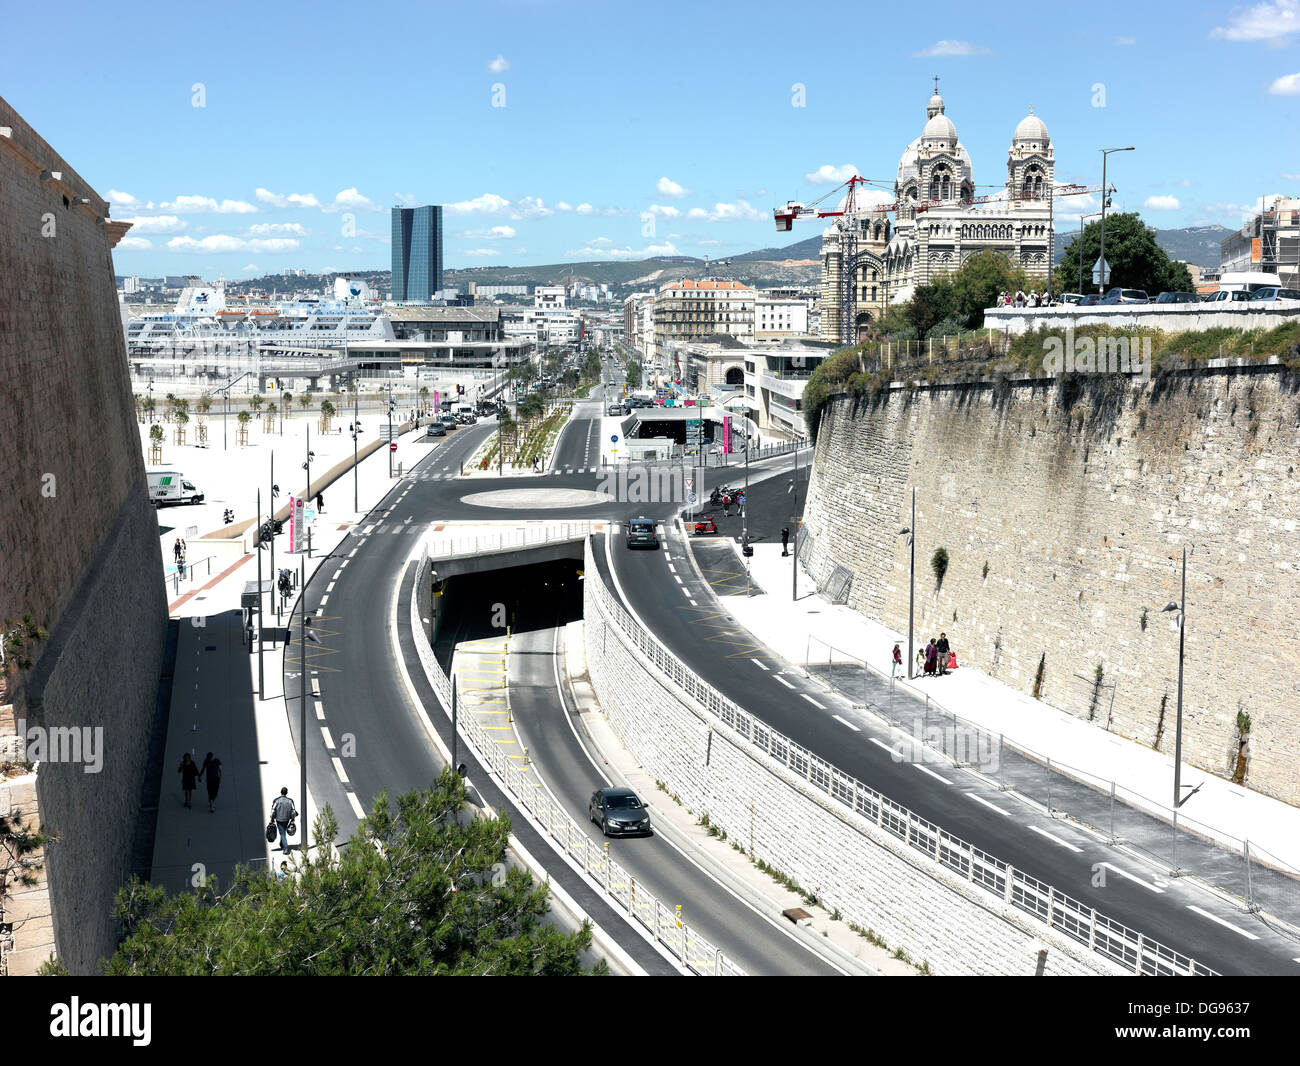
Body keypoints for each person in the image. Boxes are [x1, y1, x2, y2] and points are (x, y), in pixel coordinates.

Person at [270, 787, 298, 853]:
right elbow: (293, 811)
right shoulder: (290, 801)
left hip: (279, 819)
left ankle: (285, 848)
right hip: (287, 819)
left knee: (282, 833)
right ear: (286, 793)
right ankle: (282, 843)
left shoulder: (276, 800)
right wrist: (293, 819)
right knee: (283, 832)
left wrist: (272, 819)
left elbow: (273, 811)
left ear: (281, 792)